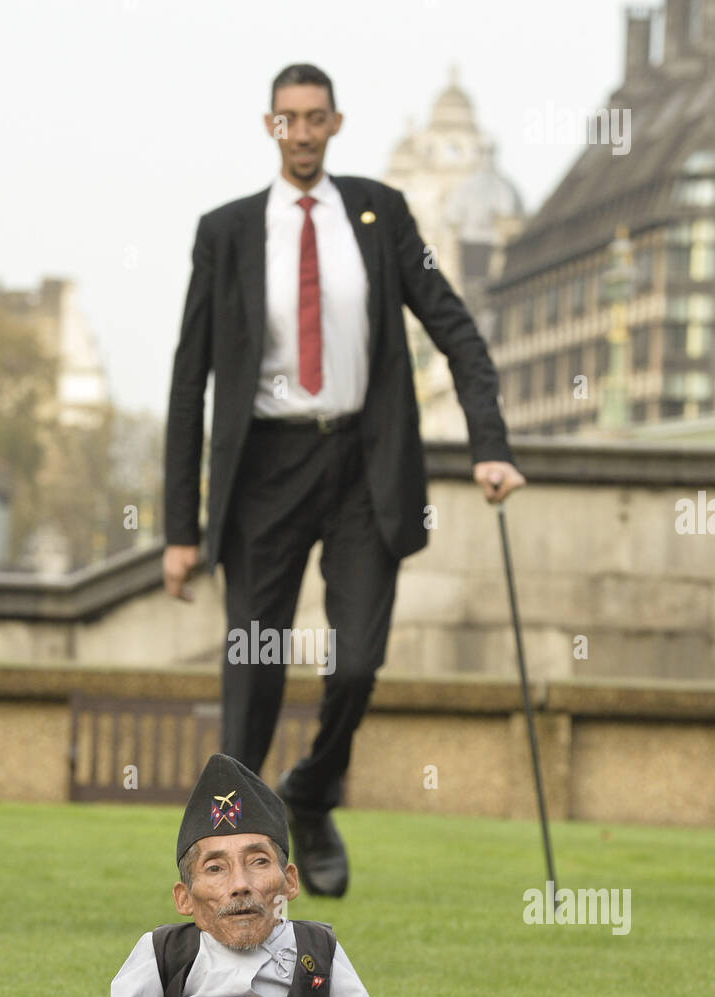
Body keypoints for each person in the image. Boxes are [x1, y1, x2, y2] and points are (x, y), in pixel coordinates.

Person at [163, 62, 525, 897]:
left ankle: (313, 792)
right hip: (265, 472)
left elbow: (454, 327)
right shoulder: (225, 232)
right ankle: (232, 875)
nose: (301, 132)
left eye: (314, 117)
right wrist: (181, 529)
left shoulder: (380, 213)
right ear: (270, 127)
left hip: (365, 463)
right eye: (286, 118)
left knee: (356, 663)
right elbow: (188, 385)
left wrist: (490, 444)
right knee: (253, 674)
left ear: (334, 125)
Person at [100, 752, 373, 997]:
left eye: (258, 862)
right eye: (215, 868)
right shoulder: (166, 950)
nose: (240, 884)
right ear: (185, 898)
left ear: (289, 881)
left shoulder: (316, 948)